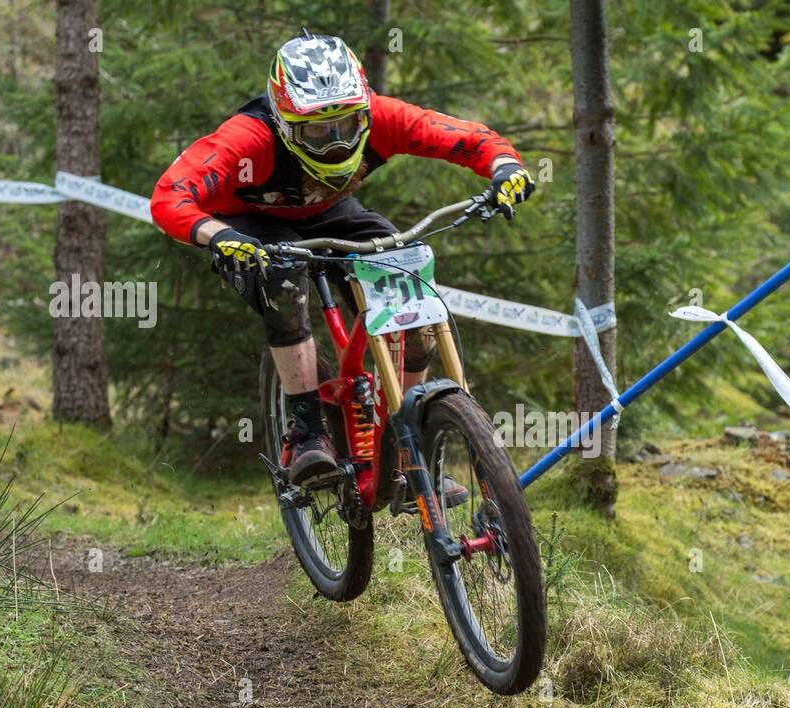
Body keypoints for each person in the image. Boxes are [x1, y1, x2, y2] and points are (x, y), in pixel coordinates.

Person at [150, 31, 534, 485]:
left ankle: (407, 443)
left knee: (409, 285)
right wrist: (218, 235)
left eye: (347, 127)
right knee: (283, 279)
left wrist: (505, 168)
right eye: (317, 131)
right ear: (285, 121)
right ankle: (307, 431)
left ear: (365, 112)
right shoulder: (248, 137)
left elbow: (469, 138)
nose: (335, 143)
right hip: (250, 225)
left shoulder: (385, 117)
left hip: (333, 214)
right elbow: (169, 196)